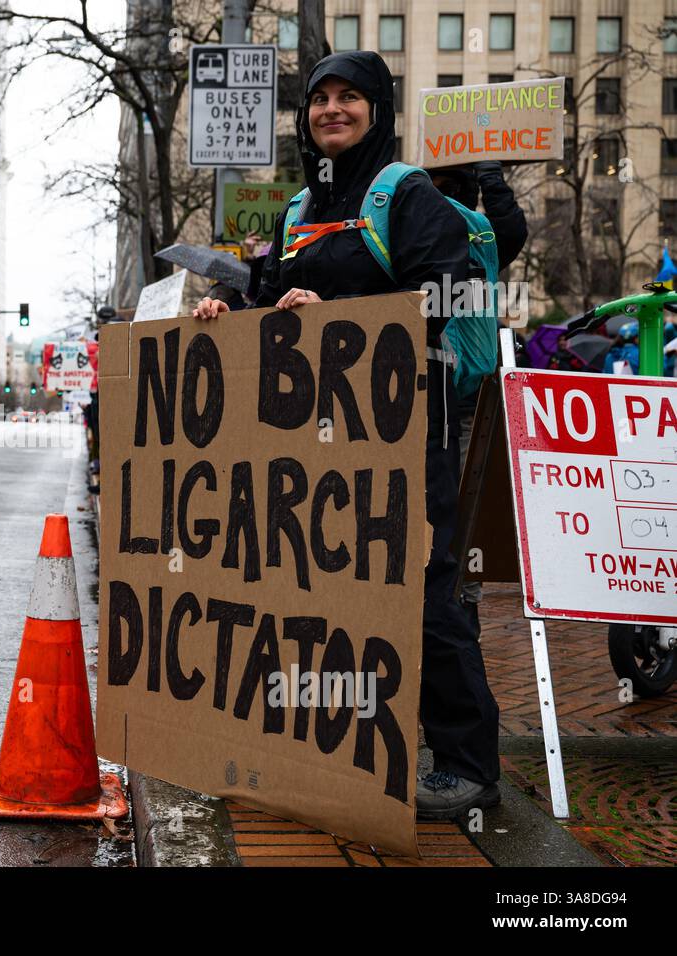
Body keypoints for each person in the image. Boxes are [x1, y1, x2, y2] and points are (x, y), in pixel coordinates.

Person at [193, 50, 501, 820]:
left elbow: (448, 293)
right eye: (320, 98)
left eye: (350, 97)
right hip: (317, 438)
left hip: (406, 430)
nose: (332, 109)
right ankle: (338, 746)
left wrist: (339, 319)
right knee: (322, 586)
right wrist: (229, 312)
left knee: (421, 587)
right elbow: (271, 299)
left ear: (377, 110)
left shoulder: (409, 194)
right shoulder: (299, 209)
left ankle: (468, 766)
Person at [430, 161, 528, 632]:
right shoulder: (478, 237)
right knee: (457, 511)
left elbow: (510, 230)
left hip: (446, 401)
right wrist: (492, 177)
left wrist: (489, 176)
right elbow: (513, 228)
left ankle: (456, 607)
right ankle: (458, 607)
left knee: (450, 509)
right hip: (456, 400)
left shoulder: (466, 236)